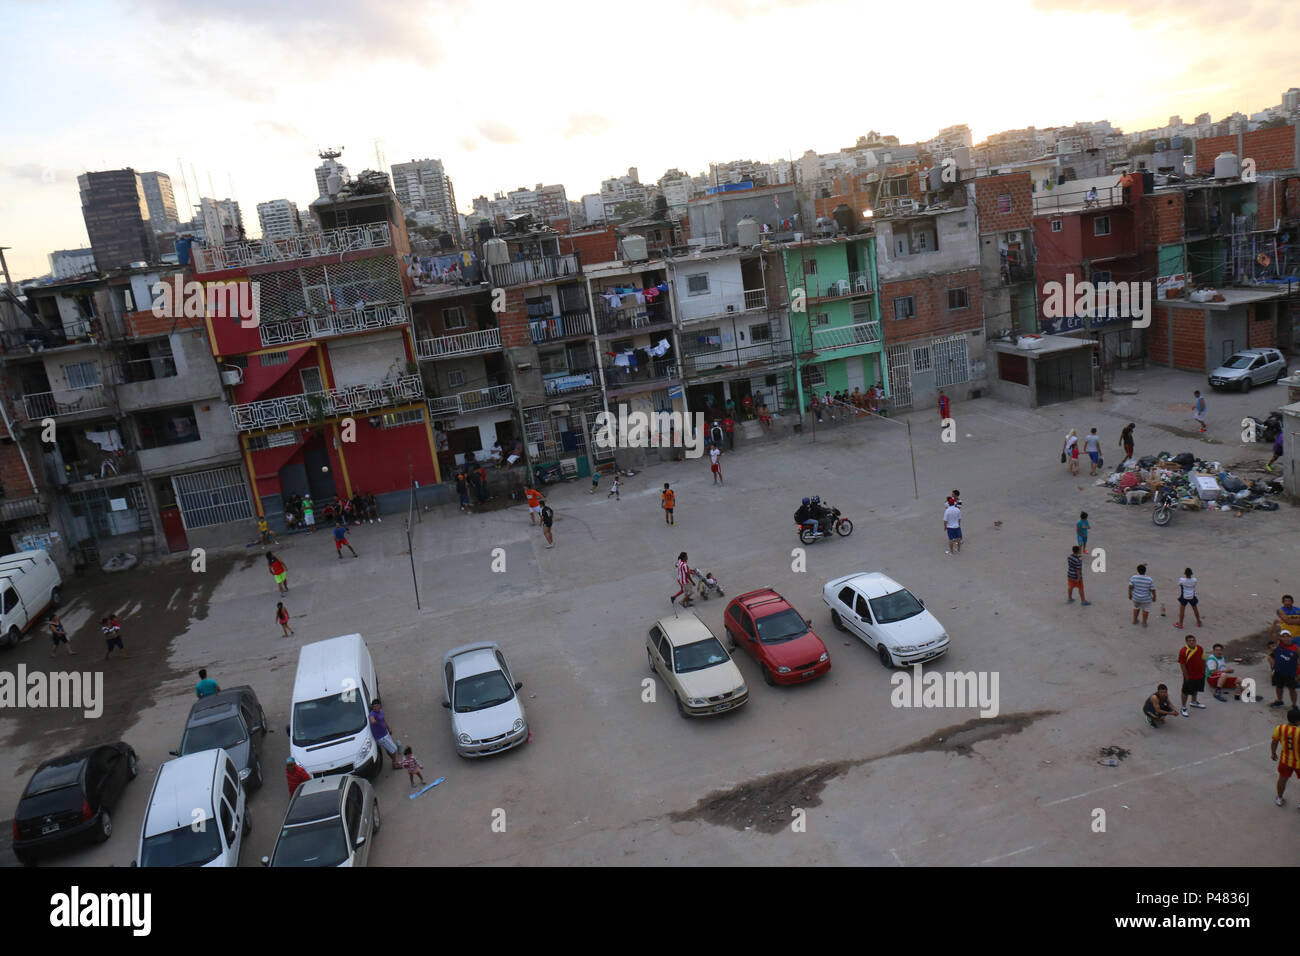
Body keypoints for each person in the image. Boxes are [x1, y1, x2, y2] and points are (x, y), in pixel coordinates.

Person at [1271, 707, 1300, 805]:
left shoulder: (1280, 728)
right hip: (1299, 762)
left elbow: (1274, 742)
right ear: (1297, 721)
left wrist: (1273, 753)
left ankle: (1279, 798)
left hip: (1285, 760)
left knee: (1282, 779)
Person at [368, 698, 403, 770]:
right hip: (381, 737)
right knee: (393, 750)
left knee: (389, 749)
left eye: (376, 706)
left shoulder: (380, 711)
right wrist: (373, 721)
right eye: (373, 706)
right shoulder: (372, 714)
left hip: (385, 733)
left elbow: (384, 720)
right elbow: (372, 720)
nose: (375, 708)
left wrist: (389, 729)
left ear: (379, 706)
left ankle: (394, 761)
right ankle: (395, 764)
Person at [1177, 634, 1208, 715]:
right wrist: (1186, 676)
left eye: (1193, 640)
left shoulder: (1200, 648)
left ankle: (1193, 702)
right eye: (1190, 641)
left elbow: (1203, 659)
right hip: (1189, 676)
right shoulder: (1183, 651)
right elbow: (1182, 665)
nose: (1192, 642)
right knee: (1185, 692)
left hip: (1200, 674)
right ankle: (1183, 707)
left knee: (1196, 689)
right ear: (1186, 642)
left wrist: (1204, 670)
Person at [1268, 630, 1299, 708]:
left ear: (1291, 637)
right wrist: (1274, 625)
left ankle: (1294, 705)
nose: (1286, 638)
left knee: (1292, 690)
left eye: (1287, 636)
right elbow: (1272, 634)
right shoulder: (1279, 645)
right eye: (1283, 636)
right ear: (1280, 638)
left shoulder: (1296, 648)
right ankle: (1279, 701)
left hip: (1290, 674)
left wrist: (1299, 675)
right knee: (1278, 687)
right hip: (1278, 672)